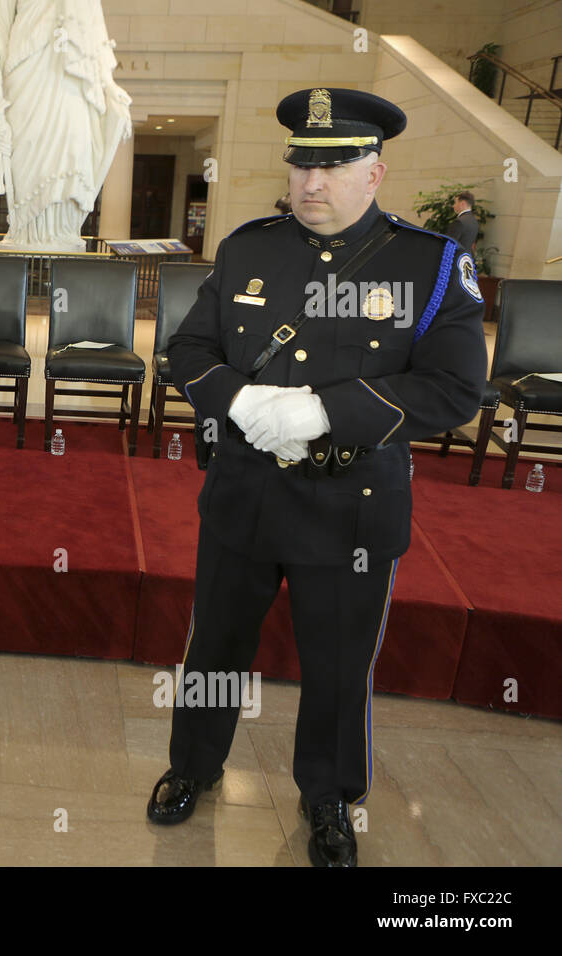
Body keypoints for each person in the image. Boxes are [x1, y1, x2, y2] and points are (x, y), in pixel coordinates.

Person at [147, 88, 486, 866]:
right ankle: (191, 767)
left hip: (352, 508)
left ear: (376, 172)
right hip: (245, 494)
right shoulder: (247, 248)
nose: (312, 183)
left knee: (337, 663)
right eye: (303, 163)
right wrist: (243, 396)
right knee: (214, 650)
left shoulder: (431, 264)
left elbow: (455, 389)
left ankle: (329, 797)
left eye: (336, 165)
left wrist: (327, 413)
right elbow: (187, 352)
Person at [0, 0, 132, 251]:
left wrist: (109, 85)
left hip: (73, 77)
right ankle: (27, 233)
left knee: (71, 150)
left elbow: (94, 31)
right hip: (27, 69)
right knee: (29, 152)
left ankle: (62, 231)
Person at [446, 190, 478, 254]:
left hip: (455, 260)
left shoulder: (459, 222)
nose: (453, 206)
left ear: (462, 203)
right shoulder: (474, 221)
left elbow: (450, 244)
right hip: (466, 260)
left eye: (455, 203)